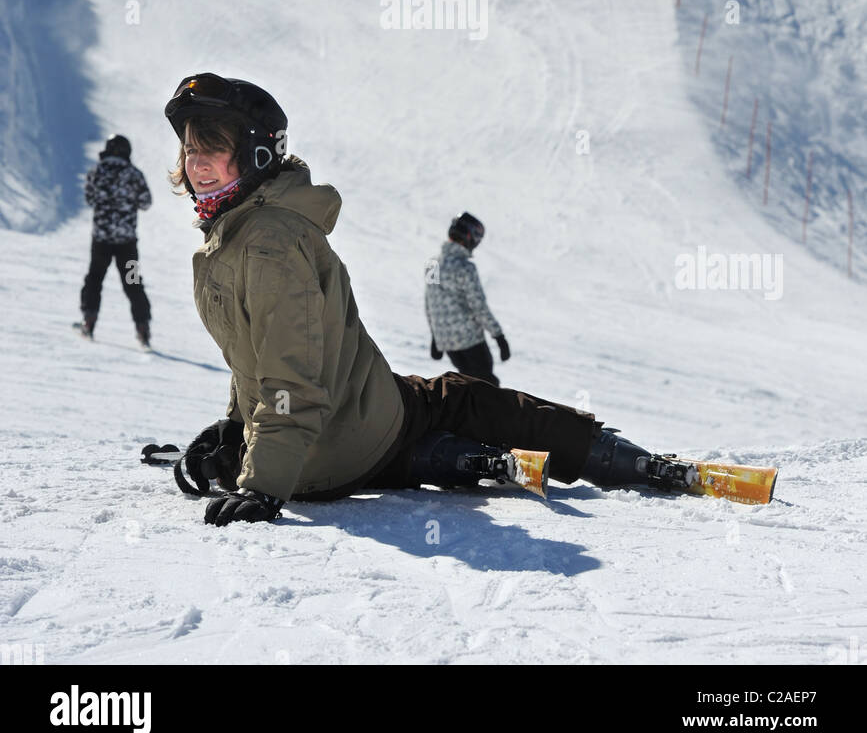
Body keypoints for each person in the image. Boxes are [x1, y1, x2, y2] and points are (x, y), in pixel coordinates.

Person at [163, 72, 700, 527]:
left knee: (406, 421)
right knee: (461, 398)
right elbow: (285, 375)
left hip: (307, 458)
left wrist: (244, 436)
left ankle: (448, 458)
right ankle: (629, 463)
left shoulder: (240, 238)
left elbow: (260, 359)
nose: (198, 162)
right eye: (191, 148)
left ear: (255, 152)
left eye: (214, 148)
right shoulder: (267, 238)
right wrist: (259, 476)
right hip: (333, 447)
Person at [80, 135, 152, 346]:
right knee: (133, 282)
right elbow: (146, 202)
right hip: (126, 244)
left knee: (95, 280)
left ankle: (89, 322)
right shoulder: (134, 174)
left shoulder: (97, 171)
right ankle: (143, 330)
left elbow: (89, 199)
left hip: (101, 241)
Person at [425, 212, 509, 385]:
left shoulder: (433, 264)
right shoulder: (464, 267)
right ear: (469, 237)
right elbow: (478, 306)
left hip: (448, 343)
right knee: (488, 387)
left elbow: (431, 303)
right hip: (470, 341)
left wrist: (436, 336)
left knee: (469, 385)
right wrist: (499, 336)